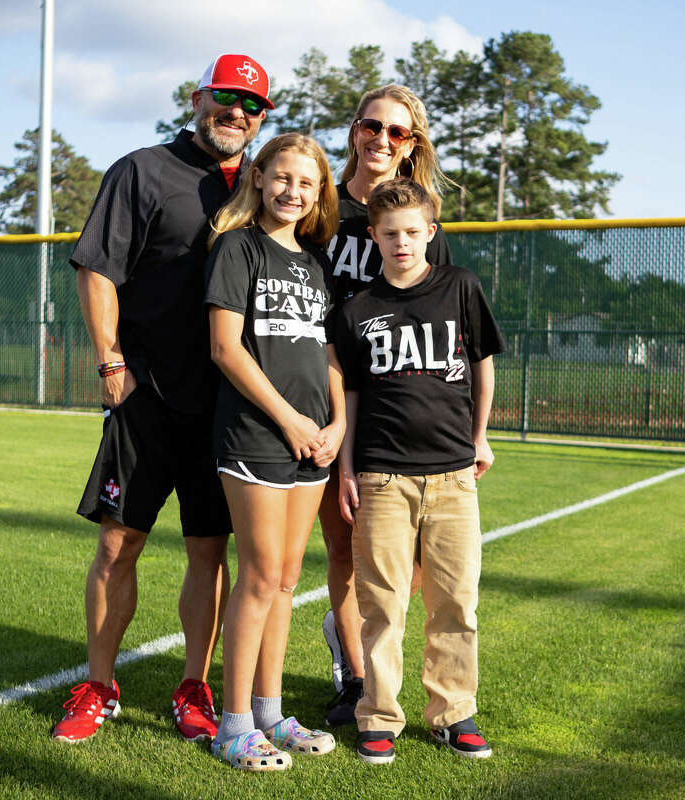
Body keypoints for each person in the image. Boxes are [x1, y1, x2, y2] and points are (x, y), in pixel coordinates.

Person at [51, 54, 273, 744]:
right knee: (118, 545)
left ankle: (193, 687)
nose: (235, 112)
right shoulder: (142, 170)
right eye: (224, 97)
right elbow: (96, 268)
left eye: (251, 105)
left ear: (263, 118)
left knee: (210, 553)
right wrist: (112, 361)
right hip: (146, 391)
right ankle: (98, 684)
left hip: (227, 407)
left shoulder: (266, 188)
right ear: (198, 96)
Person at [334, 179, 505, 765]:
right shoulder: (357, 310)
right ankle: (380, 716)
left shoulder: (460, 287)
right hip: (383, 477)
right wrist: (348, 469)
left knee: (455, 601)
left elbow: (481, 367)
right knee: (382, 605)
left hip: (454, 476)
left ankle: (453, 713)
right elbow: (351, 398)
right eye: (389, 234)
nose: (401, 242)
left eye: (412, 232)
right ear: (374, 237)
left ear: (430, 232)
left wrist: (480, 436)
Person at [204, 132, 344, 772]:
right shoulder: (238, 247)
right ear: (259, 178)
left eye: (307, 183)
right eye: (282, 177)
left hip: (312, 443)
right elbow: (226, 349)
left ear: (320, 195)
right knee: (259, 578)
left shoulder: (316, 263)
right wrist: (289, 420)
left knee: (287, 581)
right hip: (258, 437)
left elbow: (328, 356)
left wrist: (335, 424)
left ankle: (269, 711)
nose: (293, 191)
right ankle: (232, 725)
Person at [320, 84, 454, 727]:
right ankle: (355, 677)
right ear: (353, 129)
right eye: (371, 125)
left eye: (398, 132)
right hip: (324, 398)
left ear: (413, 144)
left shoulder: (421, 218)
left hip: (402, 413)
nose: (381, 139)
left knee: (421, 569)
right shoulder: (318, 205)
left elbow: (444, 320)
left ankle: (413, 681)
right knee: (344, 552)